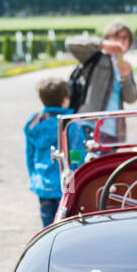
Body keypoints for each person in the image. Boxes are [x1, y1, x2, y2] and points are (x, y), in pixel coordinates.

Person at [24, 78, 86, 227]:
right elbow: (76, 155)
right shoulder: (71, 125)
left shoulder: (35, 123)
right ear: (65, 100)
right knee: (66, 223)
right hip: (66, 184)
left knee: (48, 224)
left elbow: (30, 154)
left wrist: (34, 175)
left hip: (42, 181)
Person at [64, 20, 137, 142]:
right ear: (108, 38)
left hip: (113, 131)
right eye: (116, 37)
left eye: (125, 38)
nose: (120, 41)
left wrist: (125, 77)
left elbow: (131, 98)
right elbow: (70, 44)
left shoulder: (124, 65)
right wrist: (102, 44)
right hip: (89, 124)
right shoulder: (97, 57)